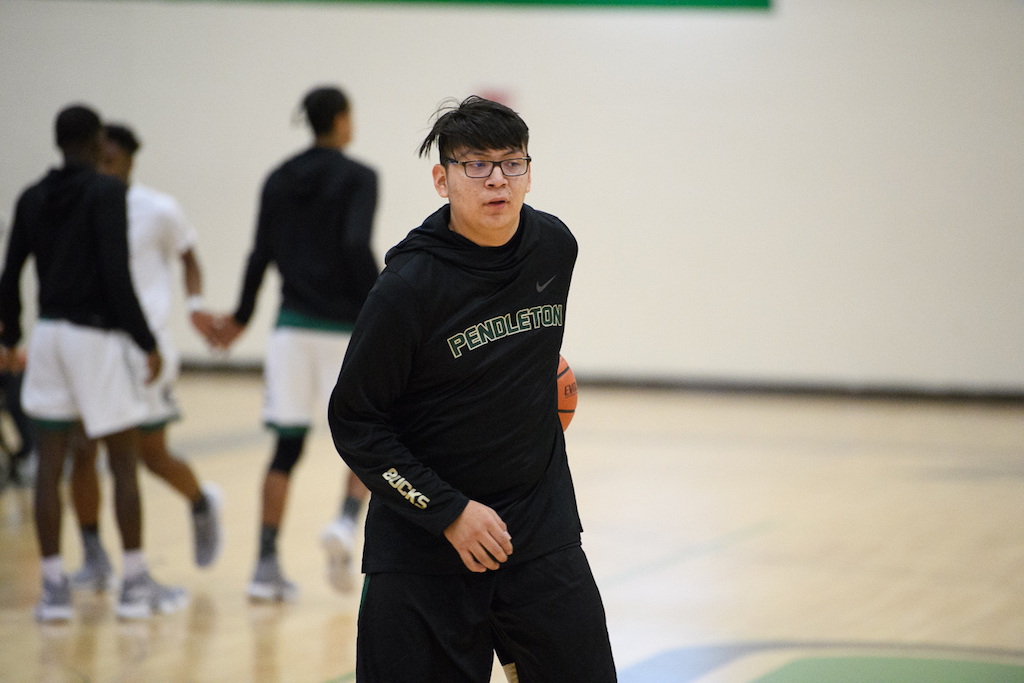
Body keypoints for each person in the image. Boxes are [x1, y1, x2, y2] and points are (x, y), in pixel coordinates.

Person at [327, 96, 617, 682]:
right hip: (427, 543)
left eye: (512, 164)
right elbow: (356, 421)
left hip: (538, 529)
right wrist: (449, 511)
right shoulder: (406, 289)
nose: (496, 181)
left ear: (529, 173)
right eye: (475, 165)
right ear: (442, 179)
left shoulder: (555, 247)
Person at [0, 104, 187, 621]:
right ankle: (132, 583)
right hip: (95, 340)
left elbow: (10, 272)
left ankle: (54, 589)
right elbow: (114, 274)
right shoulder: (107, 193)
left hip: (49, 335)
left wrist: (13, 336)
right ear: (95, 139)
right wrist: (146, 340)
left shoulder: (32, 197)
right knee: (122, 460)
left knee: (49, 464)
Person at [212, 85, 378, 600]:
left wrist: (240, 317)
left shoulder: (279, 178)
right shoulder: (359, 177)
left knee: (285, 447)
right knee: (370, 433)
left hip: (291, 326)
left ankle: (264, 565)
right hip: (344, 328)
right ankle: (346, 524)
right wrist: (382, 304)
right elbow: (355, 244)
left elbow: (259, 252)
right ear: (342, 120)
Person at [67, 123, 223, 593]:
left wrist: (194, 307)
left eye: (113, 157)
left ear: (131, 160)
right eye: (100, 157)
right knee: (83, 448)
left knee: (149, 455)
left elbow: (189, 257)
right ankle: (94, 551)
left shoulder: (158, 209)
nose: (105, 165)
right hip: (91, 345)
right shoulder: (80, 205)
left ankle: (199, 502)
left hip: (146, 348)